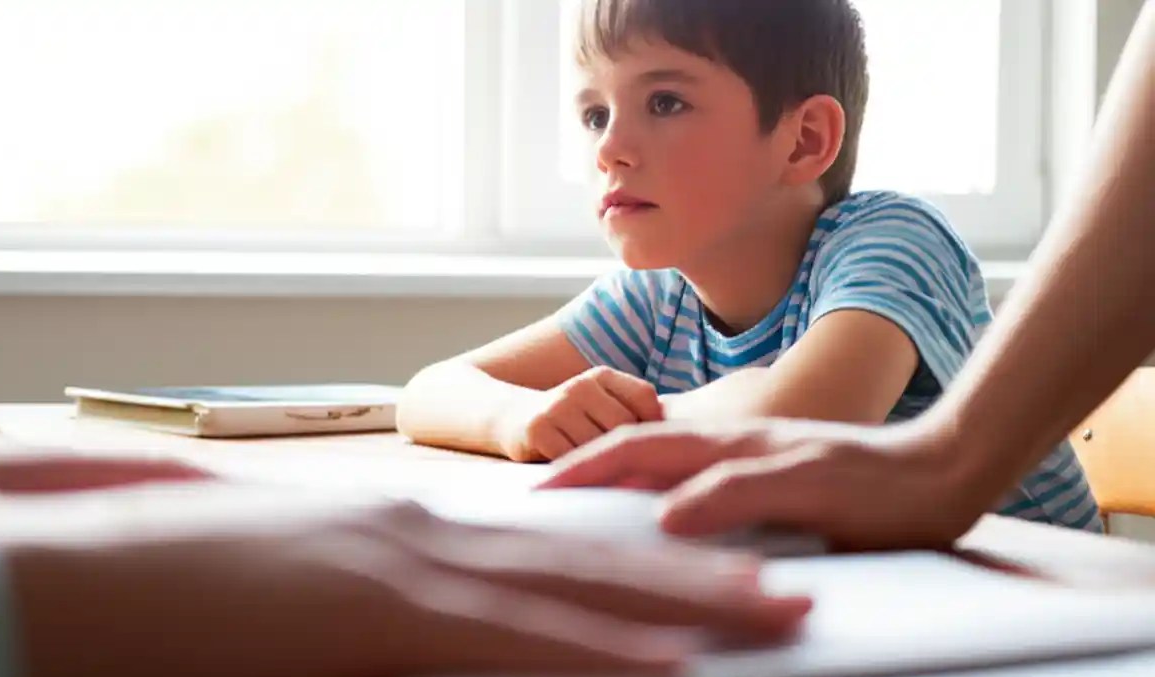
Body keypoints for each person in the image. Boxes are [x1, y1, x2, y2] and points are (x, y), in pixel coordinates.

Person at [395, 0, 1100, 532]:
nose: (609, 148)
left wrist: (613, 428)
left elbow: (808, 417)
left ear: (804, 140)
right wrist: (523, 418)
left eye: (664, 102)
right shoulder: (656, 294)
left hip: (1053, 610)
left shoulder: (894, 239)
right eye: (594, 115)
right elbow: (430, 390)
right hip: (888, 596)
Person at [0, 430, 810, 677]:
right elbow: (450, 382)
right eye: (592, 110)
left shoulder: (876, 241)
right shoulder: (640, 294)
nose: (609, 141)